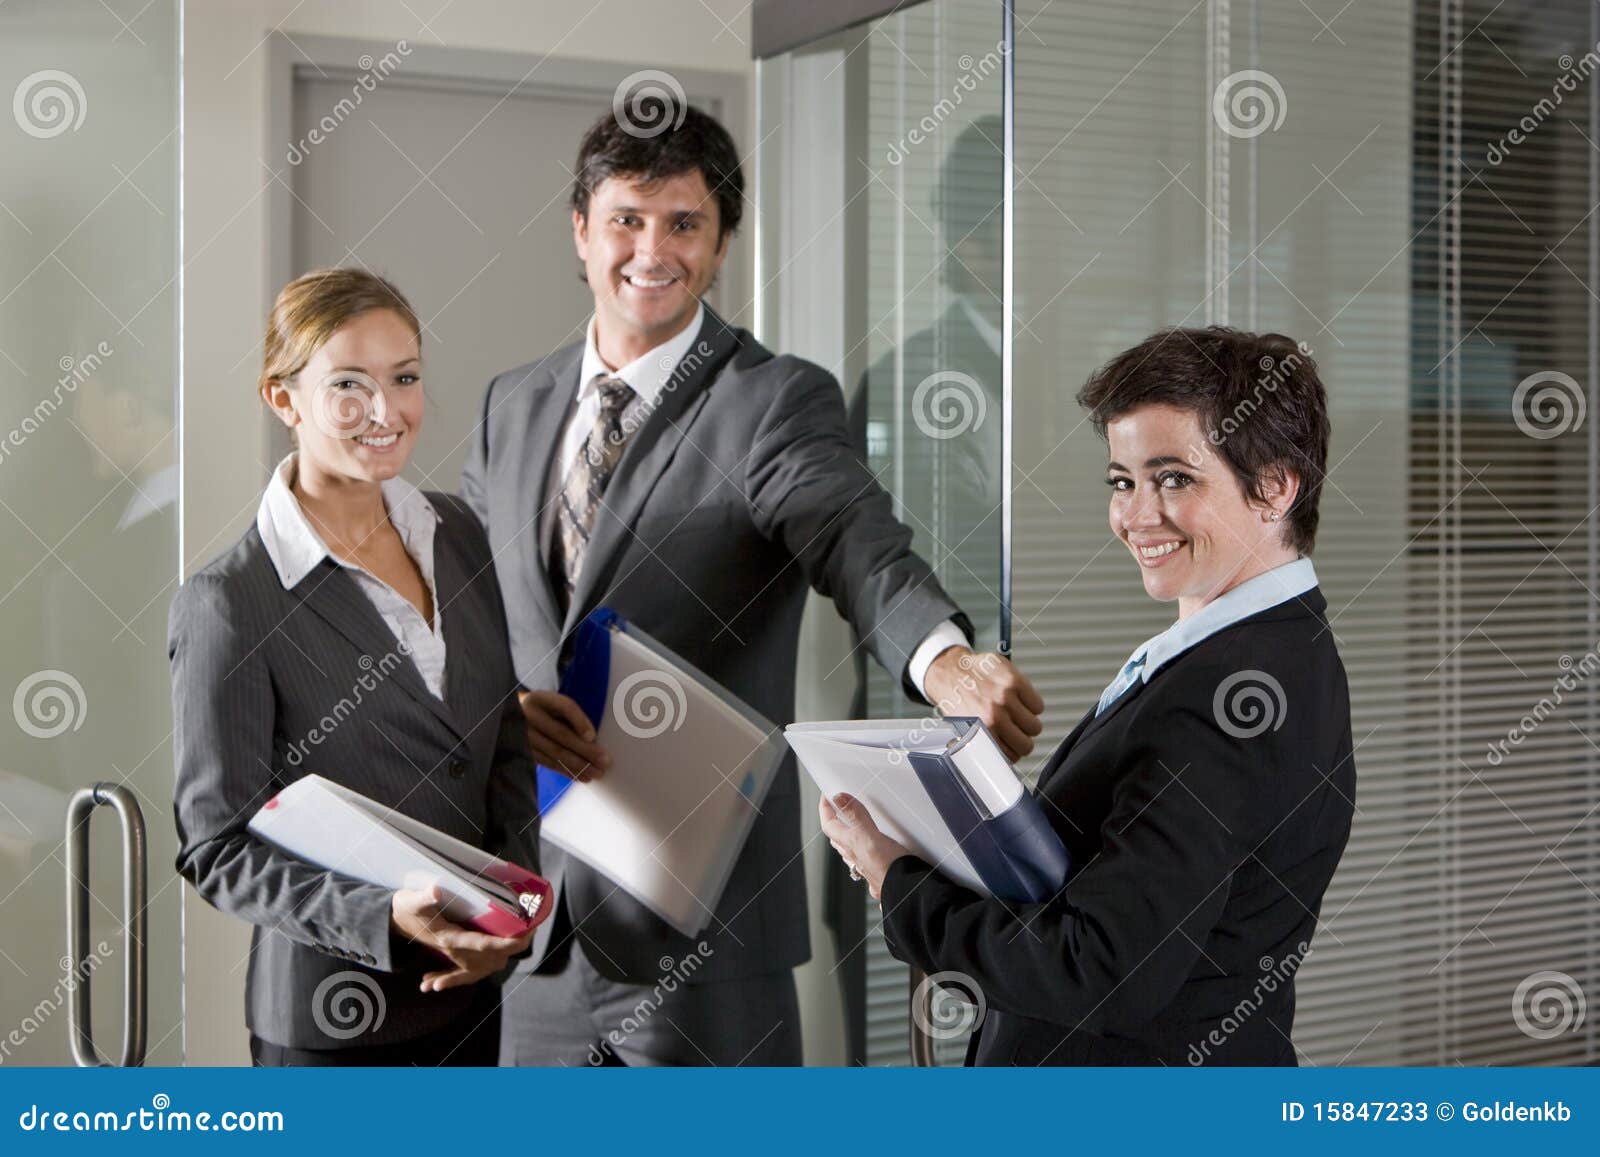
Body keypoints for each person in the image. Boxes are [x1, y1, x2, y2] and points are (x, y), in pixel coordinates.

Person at [462, 97, 1044, 1067]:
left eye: (684, 223)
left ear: (722, 240)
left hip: (703, 935)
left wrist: (940, 660)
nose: (653, 250)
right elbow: (476, 610)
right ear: (580, 228)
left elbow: (855, 540)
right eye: (627, 220)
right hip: (543, 932)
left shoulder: (772, 400)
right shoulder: (510, 405)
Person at [821, 327, 1356, 1066]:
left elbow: (1101, 969)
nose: (1137, 516)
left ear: (1273, 486)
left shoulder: (1227, 698)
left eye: (1173, 478)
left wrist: (899, 884)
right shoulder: (1265, 652)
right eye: (1122, 481)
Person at [170, 268, 541, 1066]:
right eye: (349, 385)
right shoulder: (231, 601)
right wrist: (382, 916)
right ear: (284, 400)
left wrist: (511, 902)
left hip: (471, 1000)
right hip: (331, 1030)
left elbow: (500, 739)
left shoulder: (459, 535)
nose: (387, 412)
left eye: (404, 378)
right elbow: (217, 845)